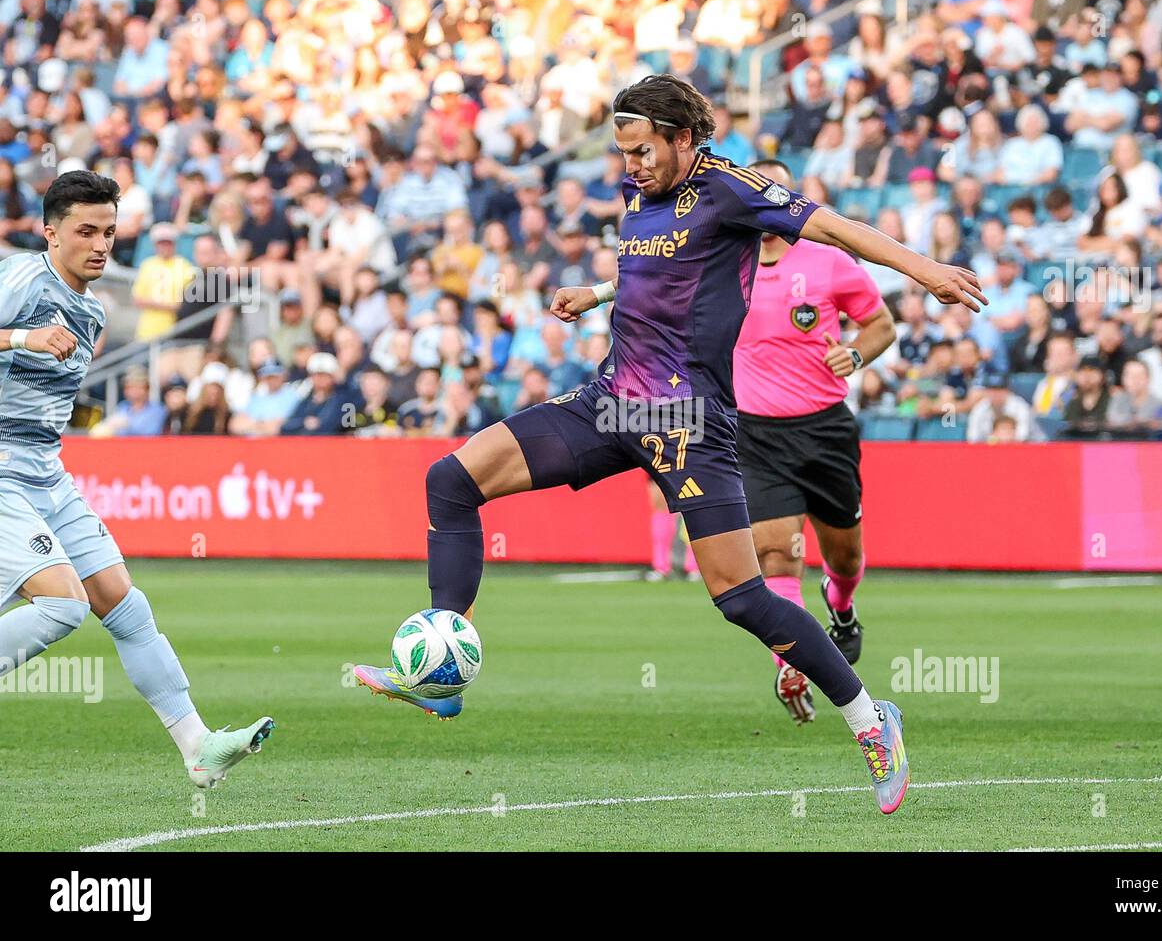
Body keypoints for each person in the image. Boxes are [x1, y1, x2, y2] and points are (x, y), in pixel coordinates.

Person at [352, 75, 986, 816]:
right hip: (611, 405)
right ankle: (442, 673)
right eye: (623, 152)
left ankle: (874, 722)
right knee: (450, 481)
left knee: (744, 600)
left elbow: (836, 227)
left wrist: (927, 271)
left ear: (685, 138)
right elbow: (662, 271)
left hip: (689, 422)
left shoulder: (729, 187)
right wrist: (598, 293)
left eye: (643, 149)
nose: (631, 165)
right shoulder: (642, 195)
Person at [0, 171, 272, 788]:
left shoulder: (95, 311)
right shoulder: (19, 279)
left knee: (124, 603)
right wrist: (22, 337)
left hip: (46, 471)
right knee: (62, 607)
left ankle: (198, 746)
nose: (100, 245)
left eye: (110, 232)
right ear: (50, 233)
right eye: (85, 231)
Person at [732, 159, 894, 725]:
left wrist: (856, 353)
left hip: (824, 430)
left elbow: (881, 326)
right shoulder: (724, 263)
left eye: (776, 190)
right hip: (755, 433)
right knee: (775, 552)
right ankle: (793, 660)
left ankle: (842, 606)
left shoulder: (829, 262)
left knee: (843, 556)